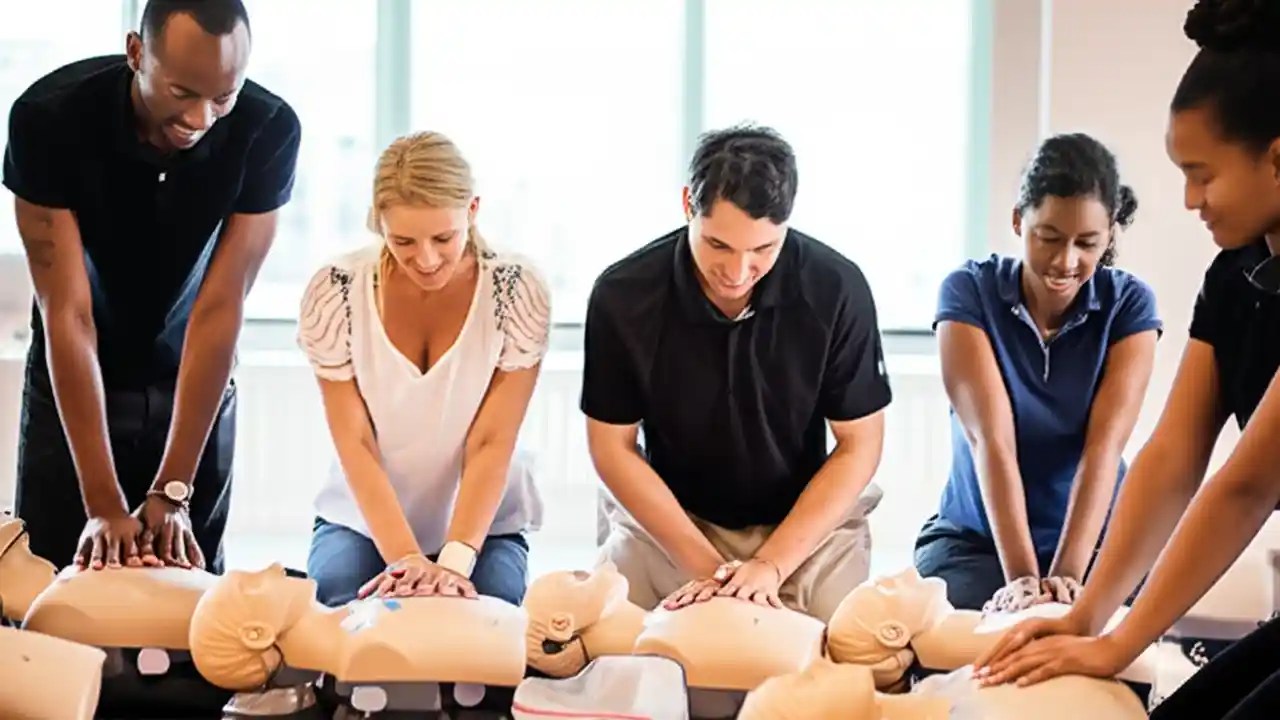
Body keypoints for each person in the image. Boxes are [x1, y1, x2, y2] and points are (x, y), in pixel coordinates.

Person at [976, 2, 1280, 717]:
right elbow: (1173, 454)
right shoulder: (1235, 276)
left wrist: (1119, 643)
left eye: (1203, 175)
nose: (1188, 199)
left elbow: (1247, 485)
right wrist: (1086, 617)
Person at [3, 0, 300, 574]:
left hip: (191, 378)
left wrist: (175, 488)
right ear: (136, 53)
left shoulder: (268, 127)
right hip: (75, 379)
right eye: (182, 92)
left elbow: (219, 309)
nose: (201, 118)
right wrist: (102, 502)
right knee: (57, 600)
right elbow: (68, 312)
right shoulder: (48, 119)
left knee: (190, 612)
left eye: (223, 96)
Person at [582, 124, 892, 624]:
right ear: (688, 204)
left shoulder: (837, 288)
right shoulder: (623, 295)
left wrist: (771, 565)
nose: (738, 271)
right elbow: (611, 448)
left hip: (804, 525)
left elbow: (860, 445)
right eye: (718, 245)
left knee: (847, 649)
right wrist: (710, 570)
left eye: (763, 250)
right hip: (670, 521)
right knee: (621, 643)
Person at [298, 131, 550, 607]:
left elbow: (492, 440)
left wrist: (452, 565)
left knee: (486, 621)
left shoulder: (516, 292)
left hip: (484, 524)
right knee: (340, 610)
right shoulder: (336, 291)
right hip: (362, 520)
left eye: (444, 237)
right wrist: (405, 560)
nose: (426, 259)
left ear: (472, 211)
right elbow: (356, 442)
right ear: (379, 224)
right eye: (403, 241)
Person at [914, 133, 1162, 613]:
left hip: (1096, 543)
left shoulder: (1130, 306)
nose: (1065, 261)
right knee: (972, 645)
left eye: (1087, 243)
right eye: (1048, 237)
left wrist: (1068, 577)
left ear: (1109, 233)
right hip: (977, 542)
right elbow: (992, 441)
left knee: (1104, 651)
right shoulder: (969, 293)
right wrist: (1025, 581)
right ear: (1017, 221)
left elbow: (1103, 447)